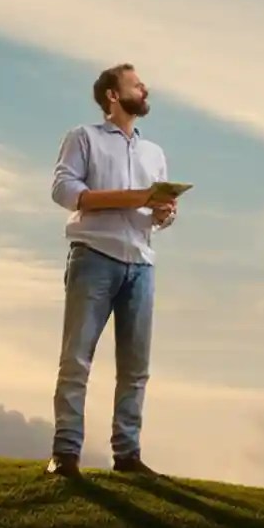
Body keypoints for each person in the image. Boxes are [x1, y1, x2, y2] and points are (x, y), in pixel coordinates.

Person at [45, 62, 179, 477]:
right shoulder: (83, 138)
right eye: (136, 84)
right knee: (77, 359)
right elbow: (64, 191)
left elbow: (158, 216)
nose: (145, 88)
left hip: (141, 264)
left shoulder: (154, 152)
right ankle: (65, 454)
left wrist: (162, 211)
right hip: (93, 257)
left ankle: (127, 456)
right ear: (113, 96)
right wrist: (131, 197)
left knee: (135, 369)